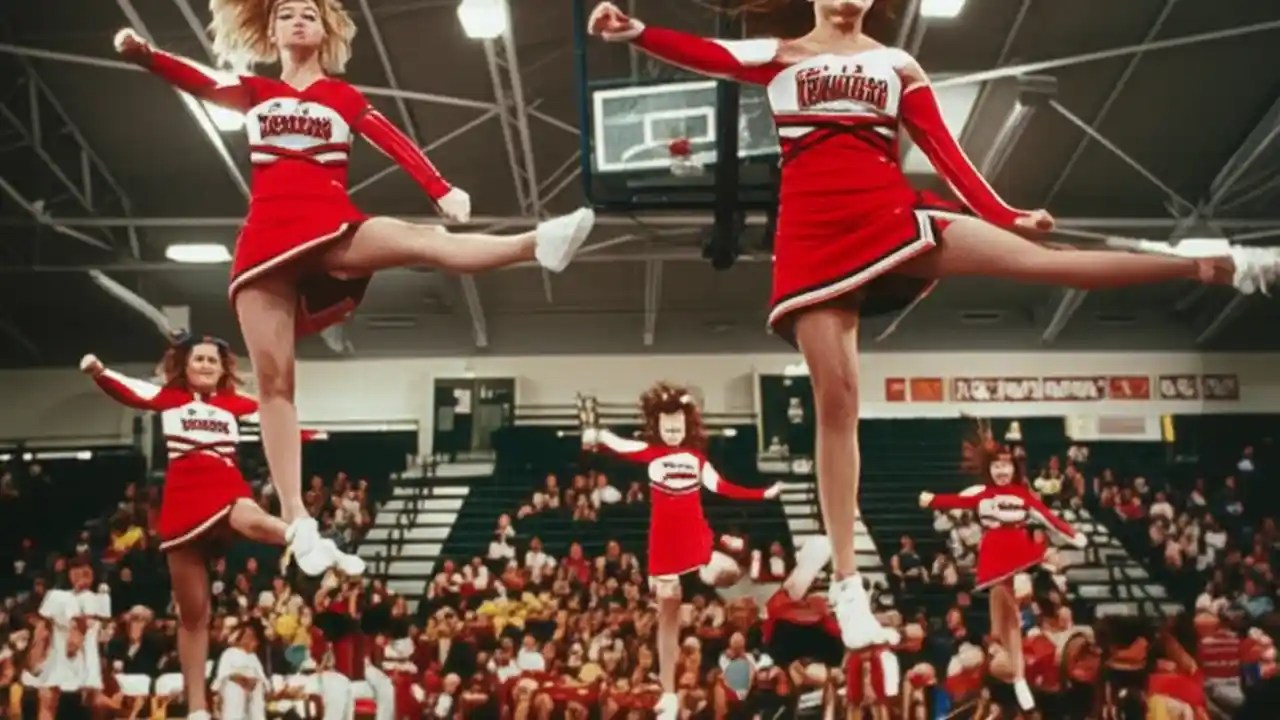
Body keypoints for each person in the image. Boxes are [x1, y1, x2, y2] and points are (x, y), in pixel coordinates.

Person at [586, 0, 1278, 650]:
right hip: (813, 237)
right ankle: (850, 585)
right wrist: (636, 32)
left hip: (893, 216)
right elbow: (709, 52)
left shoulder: (896, 64)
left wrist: (1007, 214)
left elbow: (947, 152)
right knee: (839, 400)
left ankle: (1215, 268)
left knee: (1048, 262)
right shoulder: (781, 52)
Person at [112, 0, 597, 573]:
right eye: (287, 14)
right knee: (276, 382)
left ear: (324, 31)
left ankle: (536, 243)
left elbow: (392, 140)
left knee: (420, 240)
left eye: (309, 15)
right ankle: (298, 520)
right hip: (265, 243)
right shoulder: (255, 91)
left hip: (331, 224)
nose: (297, 21)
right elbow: (201, 80)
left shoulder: (342, 97)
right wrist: (146, 55)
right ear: (271, 30)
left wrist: (440, 188)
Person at [80, 333, 362, 720]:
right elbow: (132, 391)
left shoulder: (234, 404)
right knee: (194, 613)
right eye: (200, 359)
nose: (207, 365)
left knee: (243, 509)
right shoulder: (171, 399)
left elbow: (275, 422)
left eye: (213, 360)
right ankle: (197, 708)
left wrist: (312, 434)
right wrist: (99, 372)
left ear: (223, 368)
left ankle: (299, 536)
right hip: (183, 494)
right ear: (185, 364)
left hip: (222, 478)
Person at [581, 383, 781, 719]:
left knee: (728, 571)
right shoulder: (651, 454)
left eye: (678, 426)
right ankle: (669, 693)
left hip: (695, 536)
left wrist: (762, 494)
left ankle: (707, 569)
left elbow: (724, 487)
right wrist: (596, 434)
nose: (673, 432)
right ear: (656, 427)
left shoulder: (696, 459)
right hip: (663, 545)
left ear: (688, 427)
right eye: (666, 426)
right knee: (667, 619)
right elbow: (620, 445)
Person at [919, 422, 1087, 711]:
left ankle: (1019, 674)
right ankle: (1015, 672)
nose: (1001, 471)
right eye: (996, 466)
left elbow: (1048, 517)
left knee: (1010, 603)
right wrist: (933, 499)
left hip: (1019, 550)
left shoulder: (1022, 495)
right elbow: (957, 499)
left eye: (1006, 466)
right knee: (1003, 607)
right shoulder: (982, 494)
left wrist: (1073, 535)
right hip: (994, 553)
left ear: (1014, 469)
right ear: (989, 469)